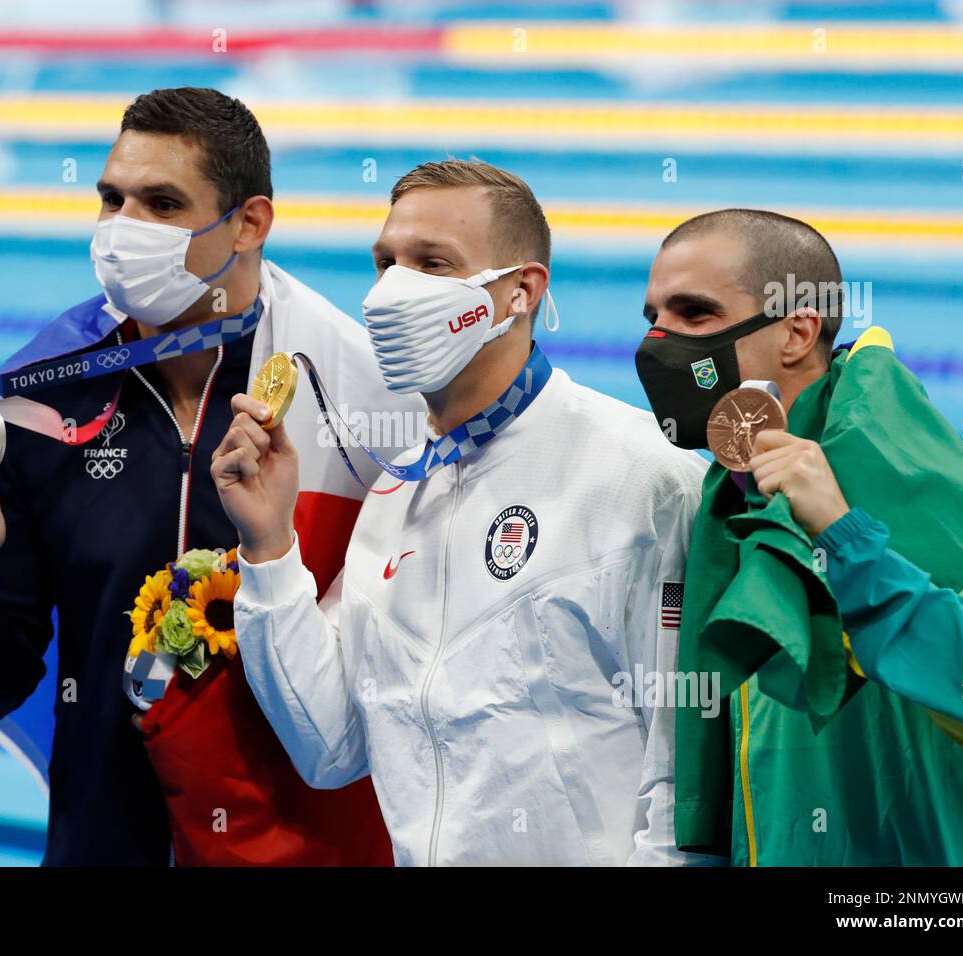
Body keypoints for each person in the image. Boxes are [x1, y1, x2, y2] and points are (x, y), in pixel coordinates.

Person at [0, 87, 421, 865]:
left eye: (161, 203)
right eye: (111, 199)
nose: (121, 230)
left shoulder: (361, 404)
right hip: (106, 843)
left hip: (299, 847)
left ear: (250, 223)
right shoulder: (42, 399)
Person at [211, 159, 711, 865]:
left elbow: (685, 776)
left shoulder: (642, 477)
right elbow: (328, 746)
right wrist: (268, 549)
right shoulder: (394, 496)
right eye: (385, 261)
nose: (391, 291)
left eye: (431, 263)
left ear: (519, 293)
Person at [634, 207, 963, 865]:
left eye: (694, 315)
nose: (659, 344)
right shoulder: (730, 503)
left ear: (796, 331)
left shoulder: (912, 473)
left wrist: (845, 536)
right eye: (653, 319)